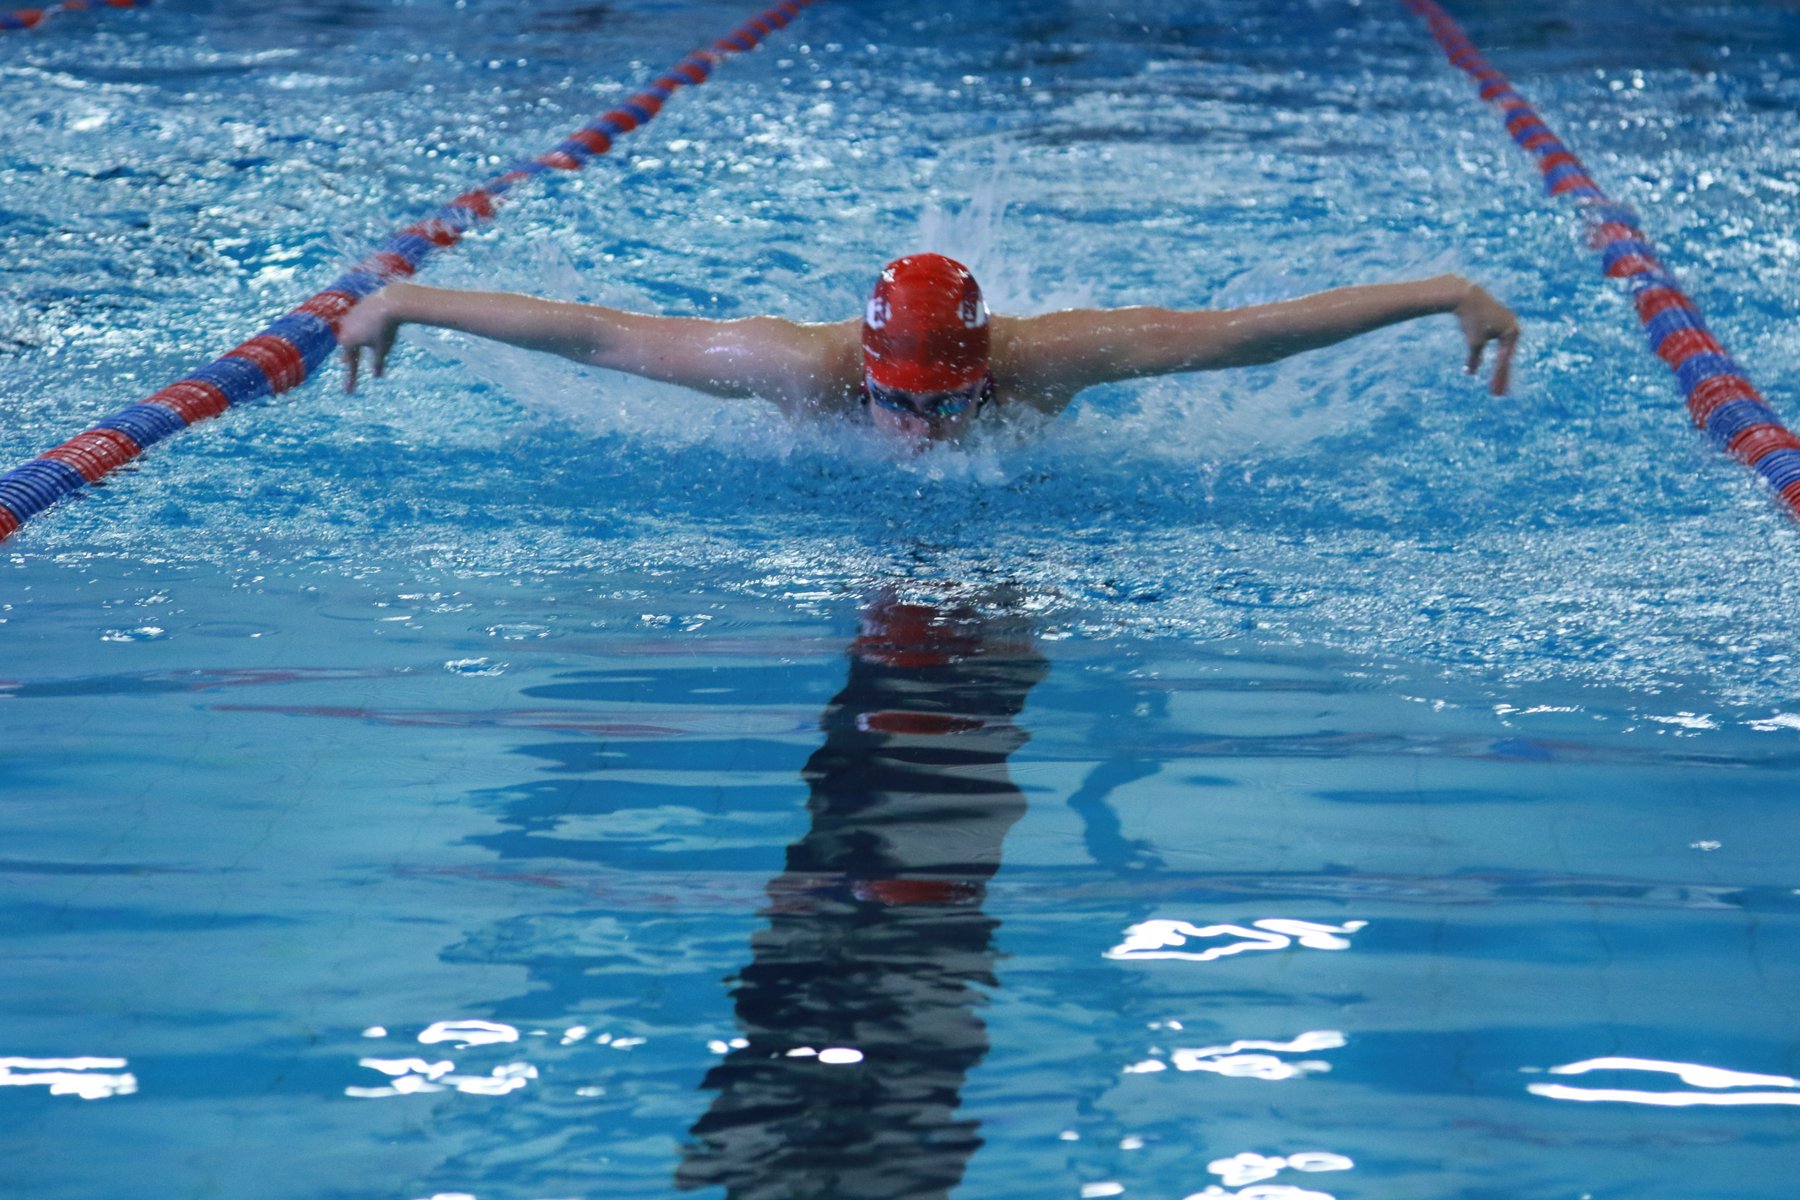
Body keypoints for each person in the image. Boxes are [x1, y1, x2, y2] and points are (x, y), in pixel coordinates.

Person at [338, 252, 1519, 448]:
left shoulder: (1053, 358)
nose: (923, 432)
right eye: (907, 408)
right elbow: (597, 335)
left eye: (950, 410)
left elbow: (1242, 339)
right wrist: (413, 300)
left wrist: (1442, 294)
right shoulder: (794, 367)